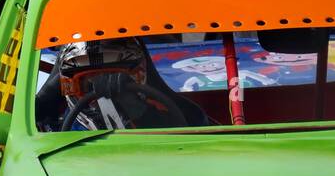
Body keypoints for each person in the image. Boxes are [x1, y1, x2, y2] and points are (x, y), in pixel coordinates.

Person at [37, 38, 210, 131]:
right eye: (89, 84)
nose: (101, 93)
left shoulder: (174, 117)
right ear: (70, 86)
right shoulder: (49, 128)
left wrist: (141, 112)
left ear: (139, 76)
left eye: (113, 79)